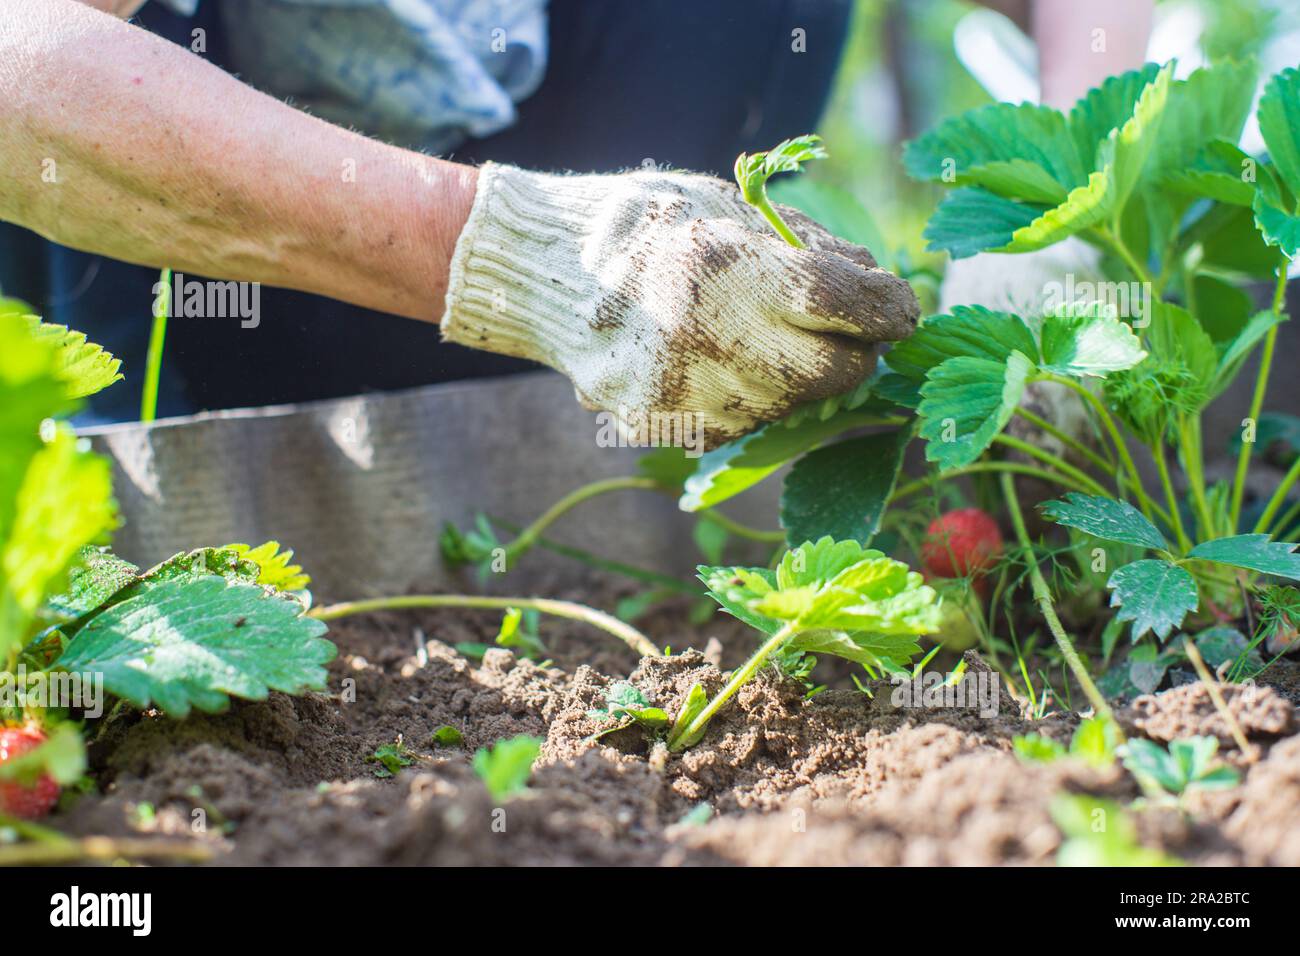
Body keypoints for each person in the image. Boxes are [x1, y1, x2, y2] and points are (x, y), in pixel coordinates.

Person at [1, 0, 921, 447]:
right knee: (157, 527)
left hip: (566, 112)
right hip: (193, 236)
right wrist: (537, 255)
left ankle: (658, 423)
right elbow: (20, 63)